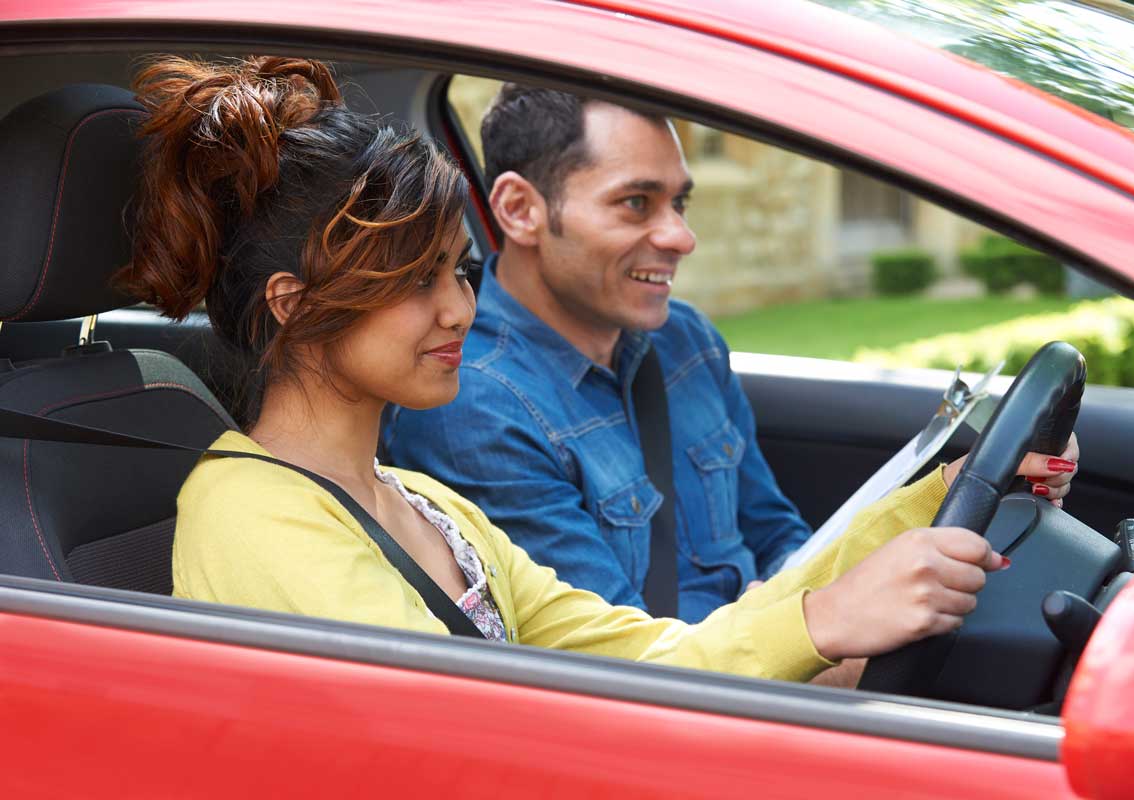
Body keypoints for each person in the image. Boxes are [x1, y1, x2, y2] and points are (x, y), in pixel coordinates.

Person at [124, 56, 1074, 685]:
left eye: (457, 269)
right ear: (292, 303)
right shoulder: (248, 509)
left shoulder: (425, 505)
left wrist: (934, 502)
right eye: (410, 282)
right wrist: (826, 622)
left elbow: (661, 655)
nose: (461, 307)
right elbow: (446, 744)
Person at [384, 85, 1079, 622]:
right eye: (636, 204)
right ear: (518, 210)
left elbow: (780, 540)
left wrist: (954, 495)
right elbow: (618, 663)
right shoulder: (472, 403)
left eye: (679, 203)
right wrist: (836, 637)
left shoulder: (684, 340)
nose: (680, 237)